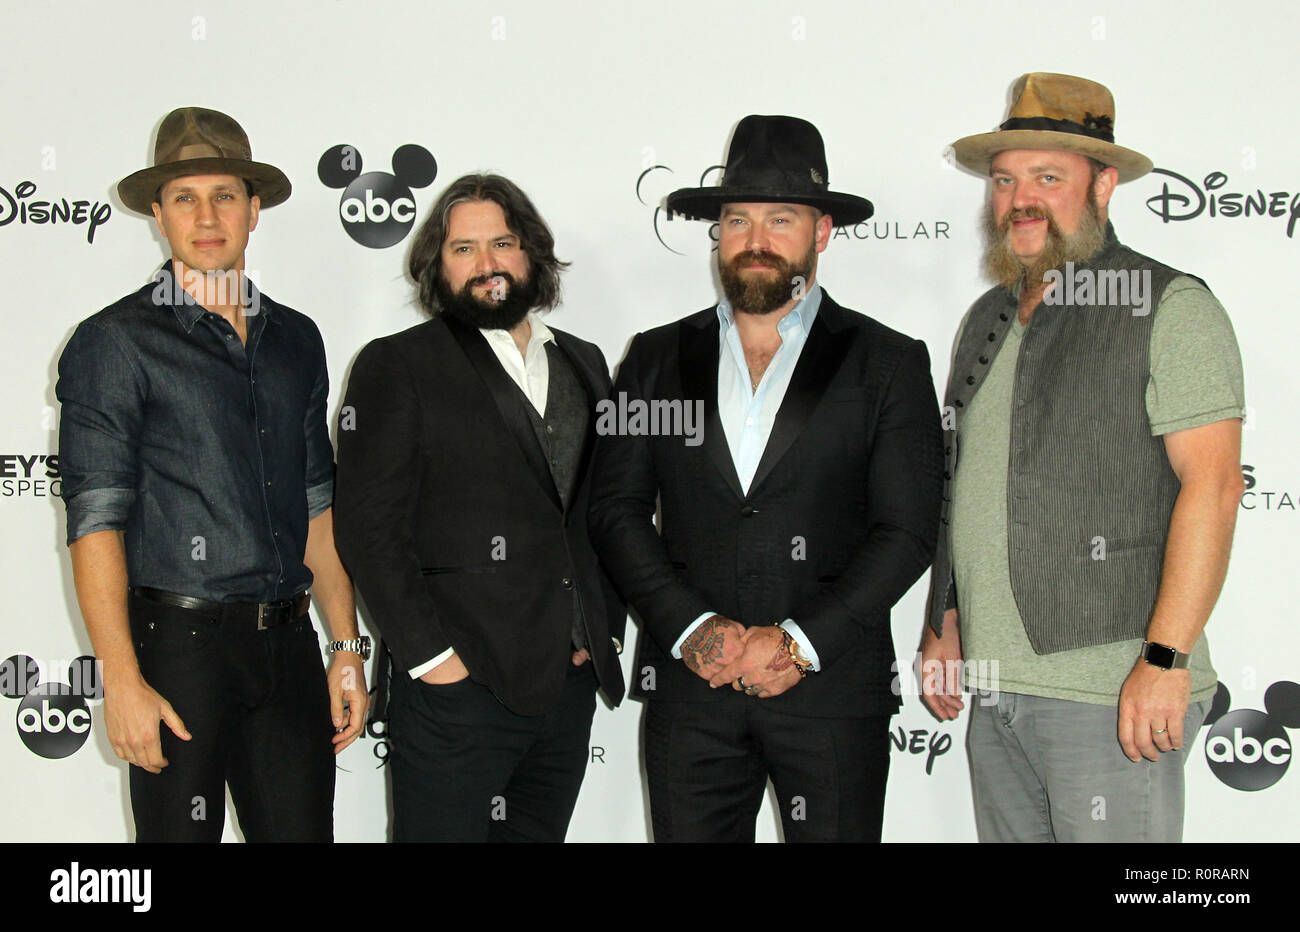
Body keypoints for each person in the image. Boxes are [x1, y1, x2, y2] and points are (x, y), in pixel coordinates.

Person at [588, 115, 943, 842]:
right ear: (717, 233)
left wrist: (798, 643)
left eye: (781, 218)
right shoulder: (656, 359)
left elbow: (907, 531)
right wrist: (693, 629)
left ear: (823, 233)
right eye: (738, 218)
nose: (756, 239)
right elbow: (616, 510)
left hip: (832, 692)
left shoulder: (887, 362)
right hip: (691, 694)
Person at [921, 73, 1246, 842]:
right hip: (998, 688)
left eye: (1045, 177)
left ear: (1103, 183)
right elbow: (963, 479)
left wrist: (1165, 661)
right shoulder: (986, 318)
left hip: (1113, 693)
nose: (1018, 199)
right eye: (1004, 180)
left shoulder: (1170, 304)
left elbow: (1217, 487)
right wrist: (947, 617)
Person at [57, 107, 368, 842]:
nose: (206, 216)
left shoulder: (296, 337)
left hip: (290, 648)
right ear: (158, 215)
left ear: (254, 209)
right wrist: (122, 681)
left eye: (224, 195)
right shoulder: (115, 342)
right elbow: (95, 519)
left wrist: (347, 647)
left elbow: (317, 505)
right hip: (178, 652)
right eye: (185, 198)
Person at [333, 172, 626, 842]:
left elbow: (608, 512)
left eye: (503, 242)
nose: (487, 263)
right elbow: (369, 528)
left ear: (532, 254)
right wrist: (433, 662)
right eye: (464, 249)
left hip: (567, 687)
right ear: (437, 266)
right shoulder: (396, 365)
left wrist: (604, 633)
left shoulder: (585, 362)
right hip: (454, 696)